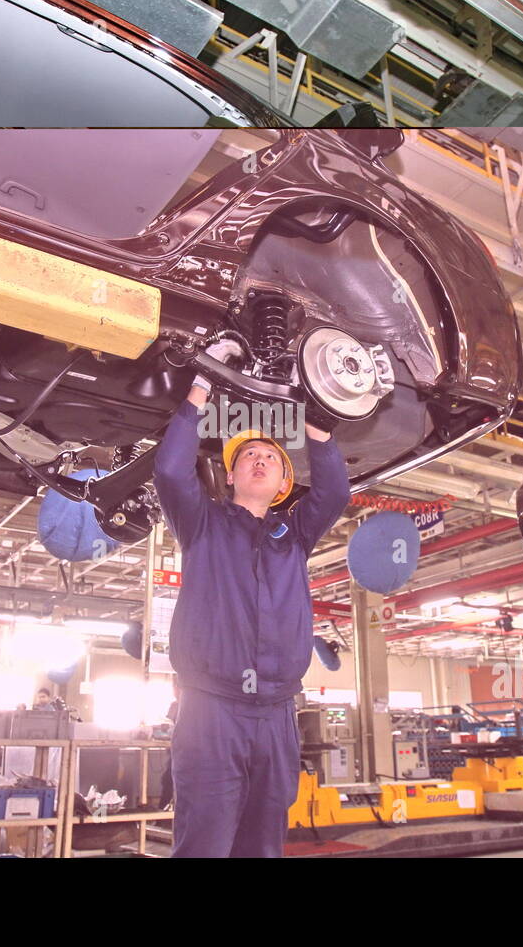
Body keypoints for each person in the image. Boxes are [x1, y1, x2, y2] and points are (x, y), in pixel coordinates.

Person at [152, 339, 350, 857]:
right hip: (211, 710)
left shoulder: (296, 535)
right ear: (231, 474)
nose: (259, 461)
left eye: (270, 458)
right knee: (205, 843)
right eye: (249, 457)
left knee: (263, 845)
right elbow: (171, 471)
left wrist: (320, 430)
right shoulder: (203, 525)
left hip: (277, 714)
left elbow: (333, 495)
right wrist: (204, 385)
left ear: (285, 482)